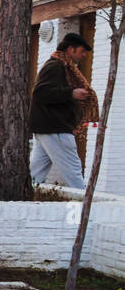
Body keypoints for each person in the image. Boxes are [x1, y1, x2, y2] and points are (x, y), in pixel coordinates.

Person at [30, 32, 93, 190]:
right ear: (70, 50)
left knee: (34, 175)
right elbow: (41, 92)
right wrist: (71, 93)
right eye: (82, 51)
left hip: (47, 128)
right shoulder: (55, 66)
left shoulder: (60, 66)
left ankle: (23, 203)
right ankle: (85, 209)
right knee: (74, 174)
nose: (84, 55)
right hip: (56, 128)